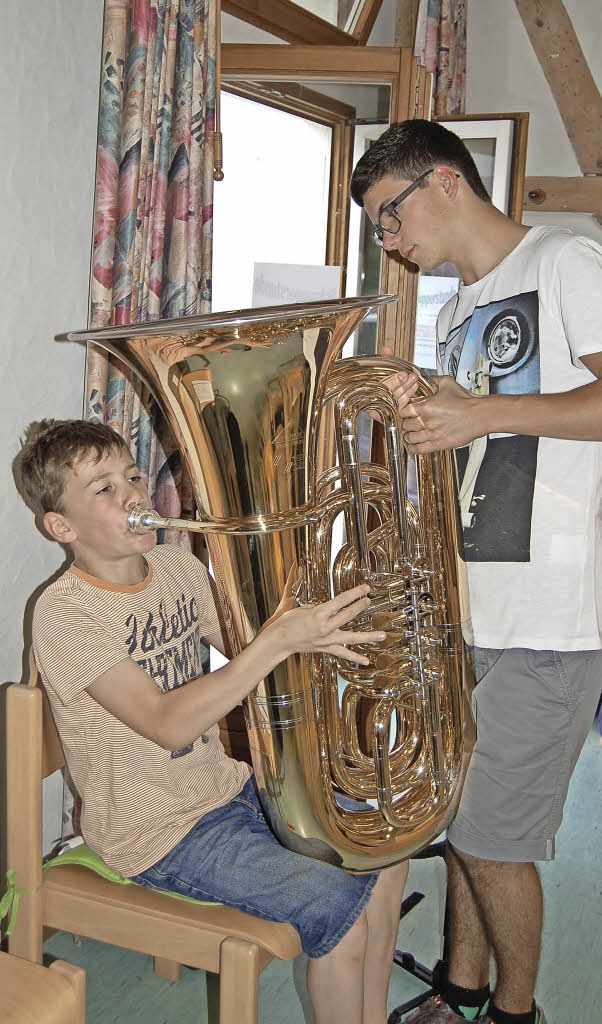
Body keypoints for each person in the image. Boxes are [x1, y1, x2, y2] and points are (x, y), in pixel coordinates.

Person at [13, 418, 408, 1024]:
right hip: (155, 832)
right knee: (340, 910)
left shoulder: (176, 568)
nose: (133, 494)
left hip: (224, 789)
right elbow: (167, 724)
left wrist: (315, 629)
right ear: (61, 527)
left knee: (384, 848)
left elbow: (246, 655)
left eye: (133, 475)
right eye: (104, 488)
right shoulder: (64, 614)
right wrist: (274, 643)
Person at [350, 119, 602, 1024]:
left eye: (391, 214)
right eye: (378, 227)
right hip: (468, 609)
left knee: (496, 842)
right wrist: (426, 421)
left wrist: (483, 412)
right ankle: (460, 988)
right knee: (458, 818)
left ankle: (516, 1012)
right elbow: (476, 443)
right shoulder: (457, 311)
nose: (389, 240)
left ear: (446, 181)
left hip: (548, 619)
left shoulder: (565, 262)